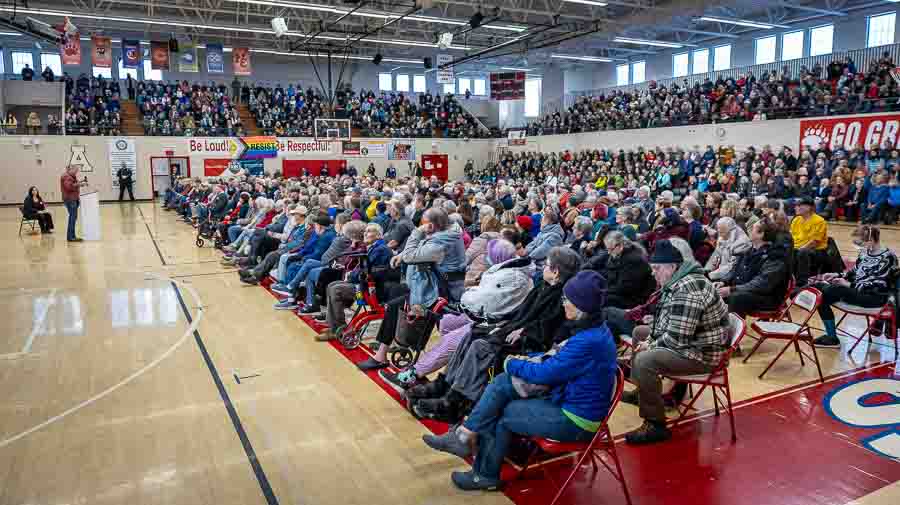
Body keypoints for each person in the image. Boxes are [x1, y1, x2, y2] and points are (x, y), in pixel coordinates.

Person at [422, 270, 617, 491]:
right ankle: (466, 437)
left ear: (581, 306)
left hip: (577, 419)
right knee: (501, 387)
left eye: (567, 299)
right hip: (569, 402)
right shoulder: (592, 330)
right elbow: (556, 359)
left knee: (500, 409)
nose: (563, 303)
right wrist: (525, 359)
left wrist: (512, 363)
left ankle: (480, 466)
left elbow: (546, 373)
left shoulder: (588, 341)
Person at [622, 239, 730, 444]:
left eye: (656, 268)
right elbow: (668, 323)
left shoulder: (687, 289)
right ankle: (641, 392)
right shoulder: (678, 280)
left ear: (671, 267)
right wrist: (651, 337)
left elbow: (677, 339)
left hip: (704, 355)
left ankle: (655, 424)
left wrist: (651, 345)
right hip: (693, 341)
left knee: (645, 360)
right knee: (639, 332)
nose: (652, 273)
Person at [354, 208, 466, 371]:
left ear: (431, 225)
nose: (421, 226)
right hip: (433, 284)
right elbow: (416, 250)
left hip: (443, 292)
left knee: (396, 305)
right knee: (395, 296)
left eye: (423, 223)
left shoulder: (443, 243)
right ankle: (386, 345)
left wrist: (417, 233)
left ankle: (383, 354)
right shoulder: (446, 232)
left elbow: (411, 255)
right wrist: (401, 255)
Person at [813, 225, 898, 347]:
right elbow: (854, 272)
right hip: (856, 291)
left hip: (874, 297)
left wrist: (848, 284)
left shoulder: (888, 257)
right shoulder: (864, 252)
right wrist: (837, 275)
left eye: (859, 243)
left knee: (829, 292)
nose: (857, 246)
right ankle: (831, 337)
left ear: (871, 240)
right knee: (819, 288)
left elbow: (879, 286)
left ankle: (832, 338)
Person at [717, 217, 791, 317]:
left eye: (753, 228)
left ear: (761, 234)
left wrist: (732, 289)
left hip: (768, 297)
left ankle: (732, 326)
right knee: (716, 290)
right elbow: (735, 270)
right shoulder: (751, 249)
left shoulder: (775, 256)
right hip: (749, 290)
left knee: (736, 297)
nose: (749, 230)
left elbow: (761, 284)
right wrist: (724, 282)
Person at [791, 196, 828, 286]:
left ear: (808, 207)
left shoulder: (819, 221)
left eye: (799, 206)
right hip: (798, 248)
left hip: (816, 251)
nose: (796, 208)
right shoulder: (796, 220)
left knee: (801, 252)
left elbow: (815, 243)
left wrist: (799, 249)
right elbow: (790, 237)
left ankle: (801, 283)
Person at [60, 165, 85, 242]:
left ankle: (72, 236)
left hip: (73, 199)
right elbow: (69, 187)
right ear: (70, 169)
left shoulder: (70, 176)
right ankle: (71, 237)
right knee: (72, 218)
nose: (76, 172)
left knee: (73, 218)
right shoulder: (66, 176)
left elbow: (73, 184)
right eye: (75, 171)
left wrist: (80, 182)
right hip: (70, 200)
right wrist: (79, 184)